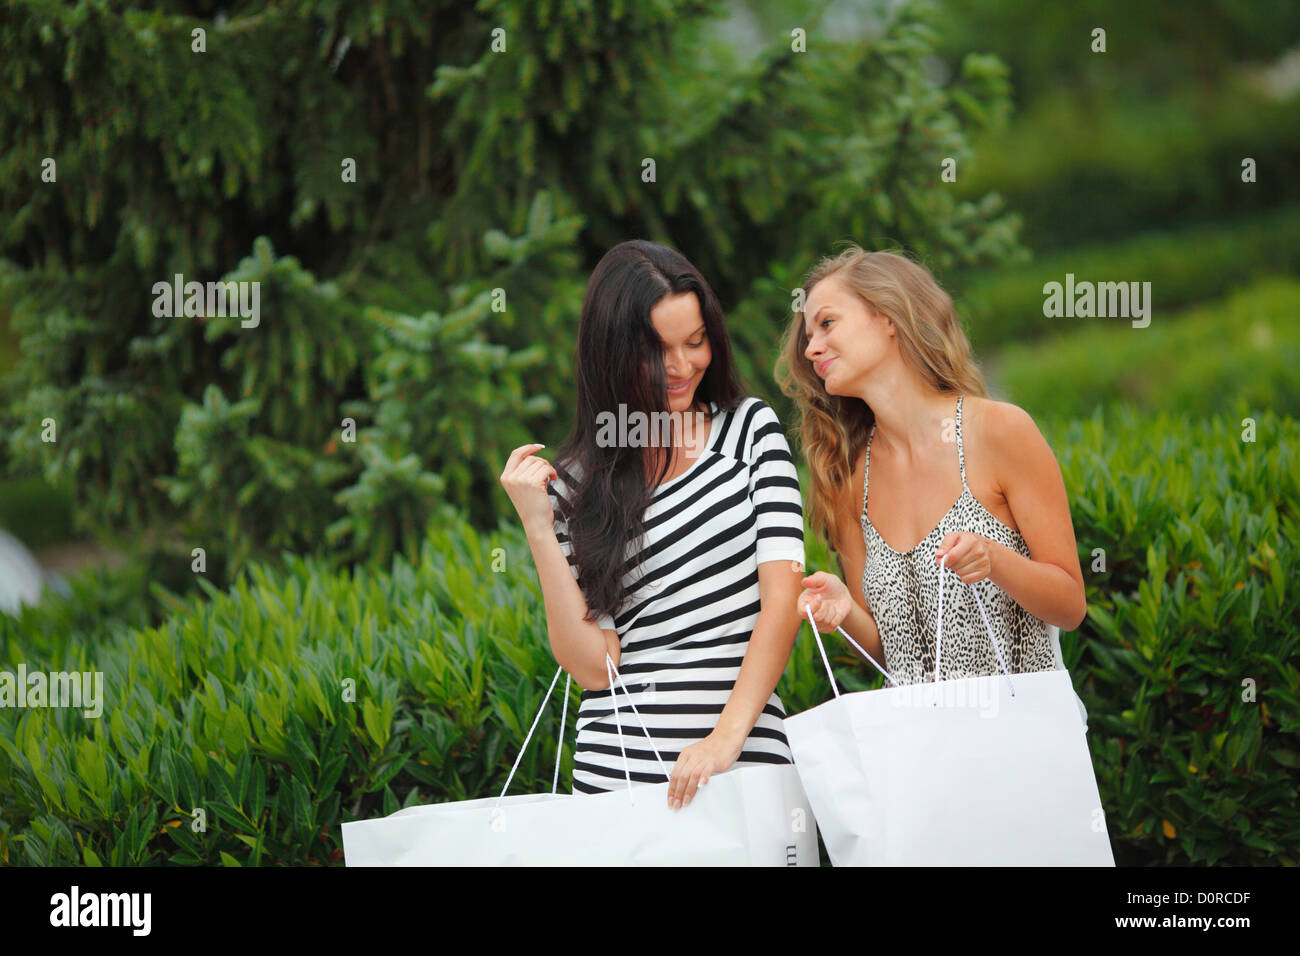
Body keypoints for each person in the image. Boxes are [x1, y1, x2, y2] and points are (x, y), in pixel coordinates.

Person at [500, 239, 806, 810]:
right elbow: (595, 666)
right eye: (658, 351)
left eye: (696, 342)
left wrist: (725, 738)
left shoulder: (750, 432)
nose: (682, 367)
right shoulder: (575, 482)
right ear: (610, 353)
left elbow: (782, 599)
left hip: (745, 768)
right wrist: (539, 527)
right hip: (617, 781)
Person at [776, 246, 1086, 685]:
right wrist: (844, 610)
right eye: (808, 336)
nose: (811, 349)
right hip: (917, 748)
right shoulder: (848, 482)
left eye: (827, 324)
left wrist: (994, 560)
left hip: (1018, 742)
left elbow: (1071, 605)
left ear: (888, 318)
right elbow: (890, 650)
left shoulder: (999, 431)